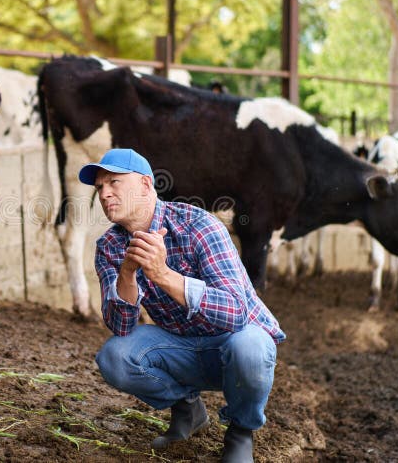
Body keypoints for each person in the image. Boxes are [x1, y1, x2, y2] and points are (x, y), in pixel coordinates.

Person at [80, 148, 285, 463]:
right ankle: (188, 408)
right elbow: (120, 327)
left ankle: (240, 433)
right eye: (99, 188)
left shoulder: (199, 224)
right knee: (115, 357)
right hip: (181, 348)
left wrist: (162, 275)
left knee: (250, 347)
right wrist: (127, 273)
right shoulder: (110, 246)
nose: (105, 194)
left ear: (147, 185)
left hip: (234, 343)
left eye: (114, 182)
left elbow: (236, 312)